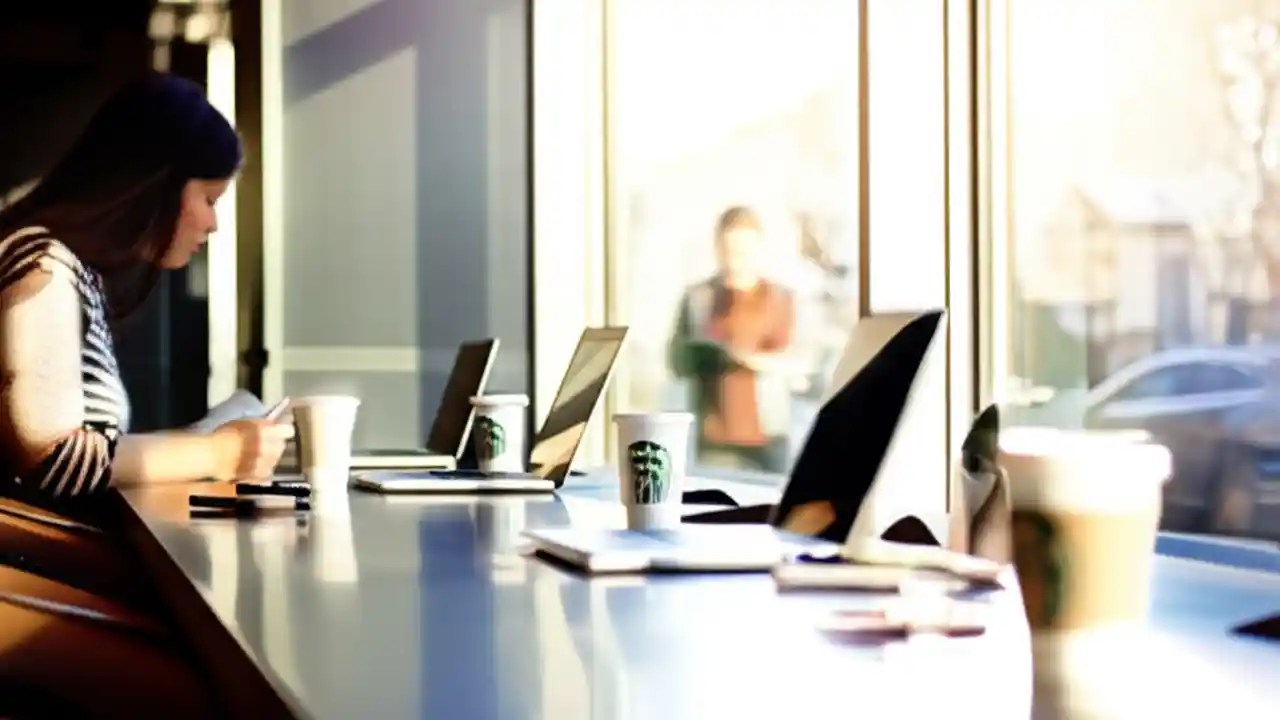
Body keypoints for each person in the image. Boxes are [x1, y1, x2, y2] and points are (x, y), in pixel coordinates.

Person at [0, 72, 290, 716]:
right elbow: (52, 458)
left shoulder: (65, 268)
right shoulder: (43, 267)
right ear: (155, 186)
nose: (213, 222)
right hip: (43, 585)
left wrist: (205, 446)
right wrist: (215, 456)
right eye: (209, 197)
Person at [668, 206, 798, 473]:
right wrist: (710, 354)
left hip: (768, 437)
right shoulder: (698, 300)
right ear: (717, 247)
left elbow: (800, 362)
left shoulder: (779, 299)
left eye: (743, 251)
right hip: (715, 439)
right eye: (728, 250)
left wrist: (753, 361)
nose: (735, 259)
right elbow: (676, 361)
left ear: (759, 248)